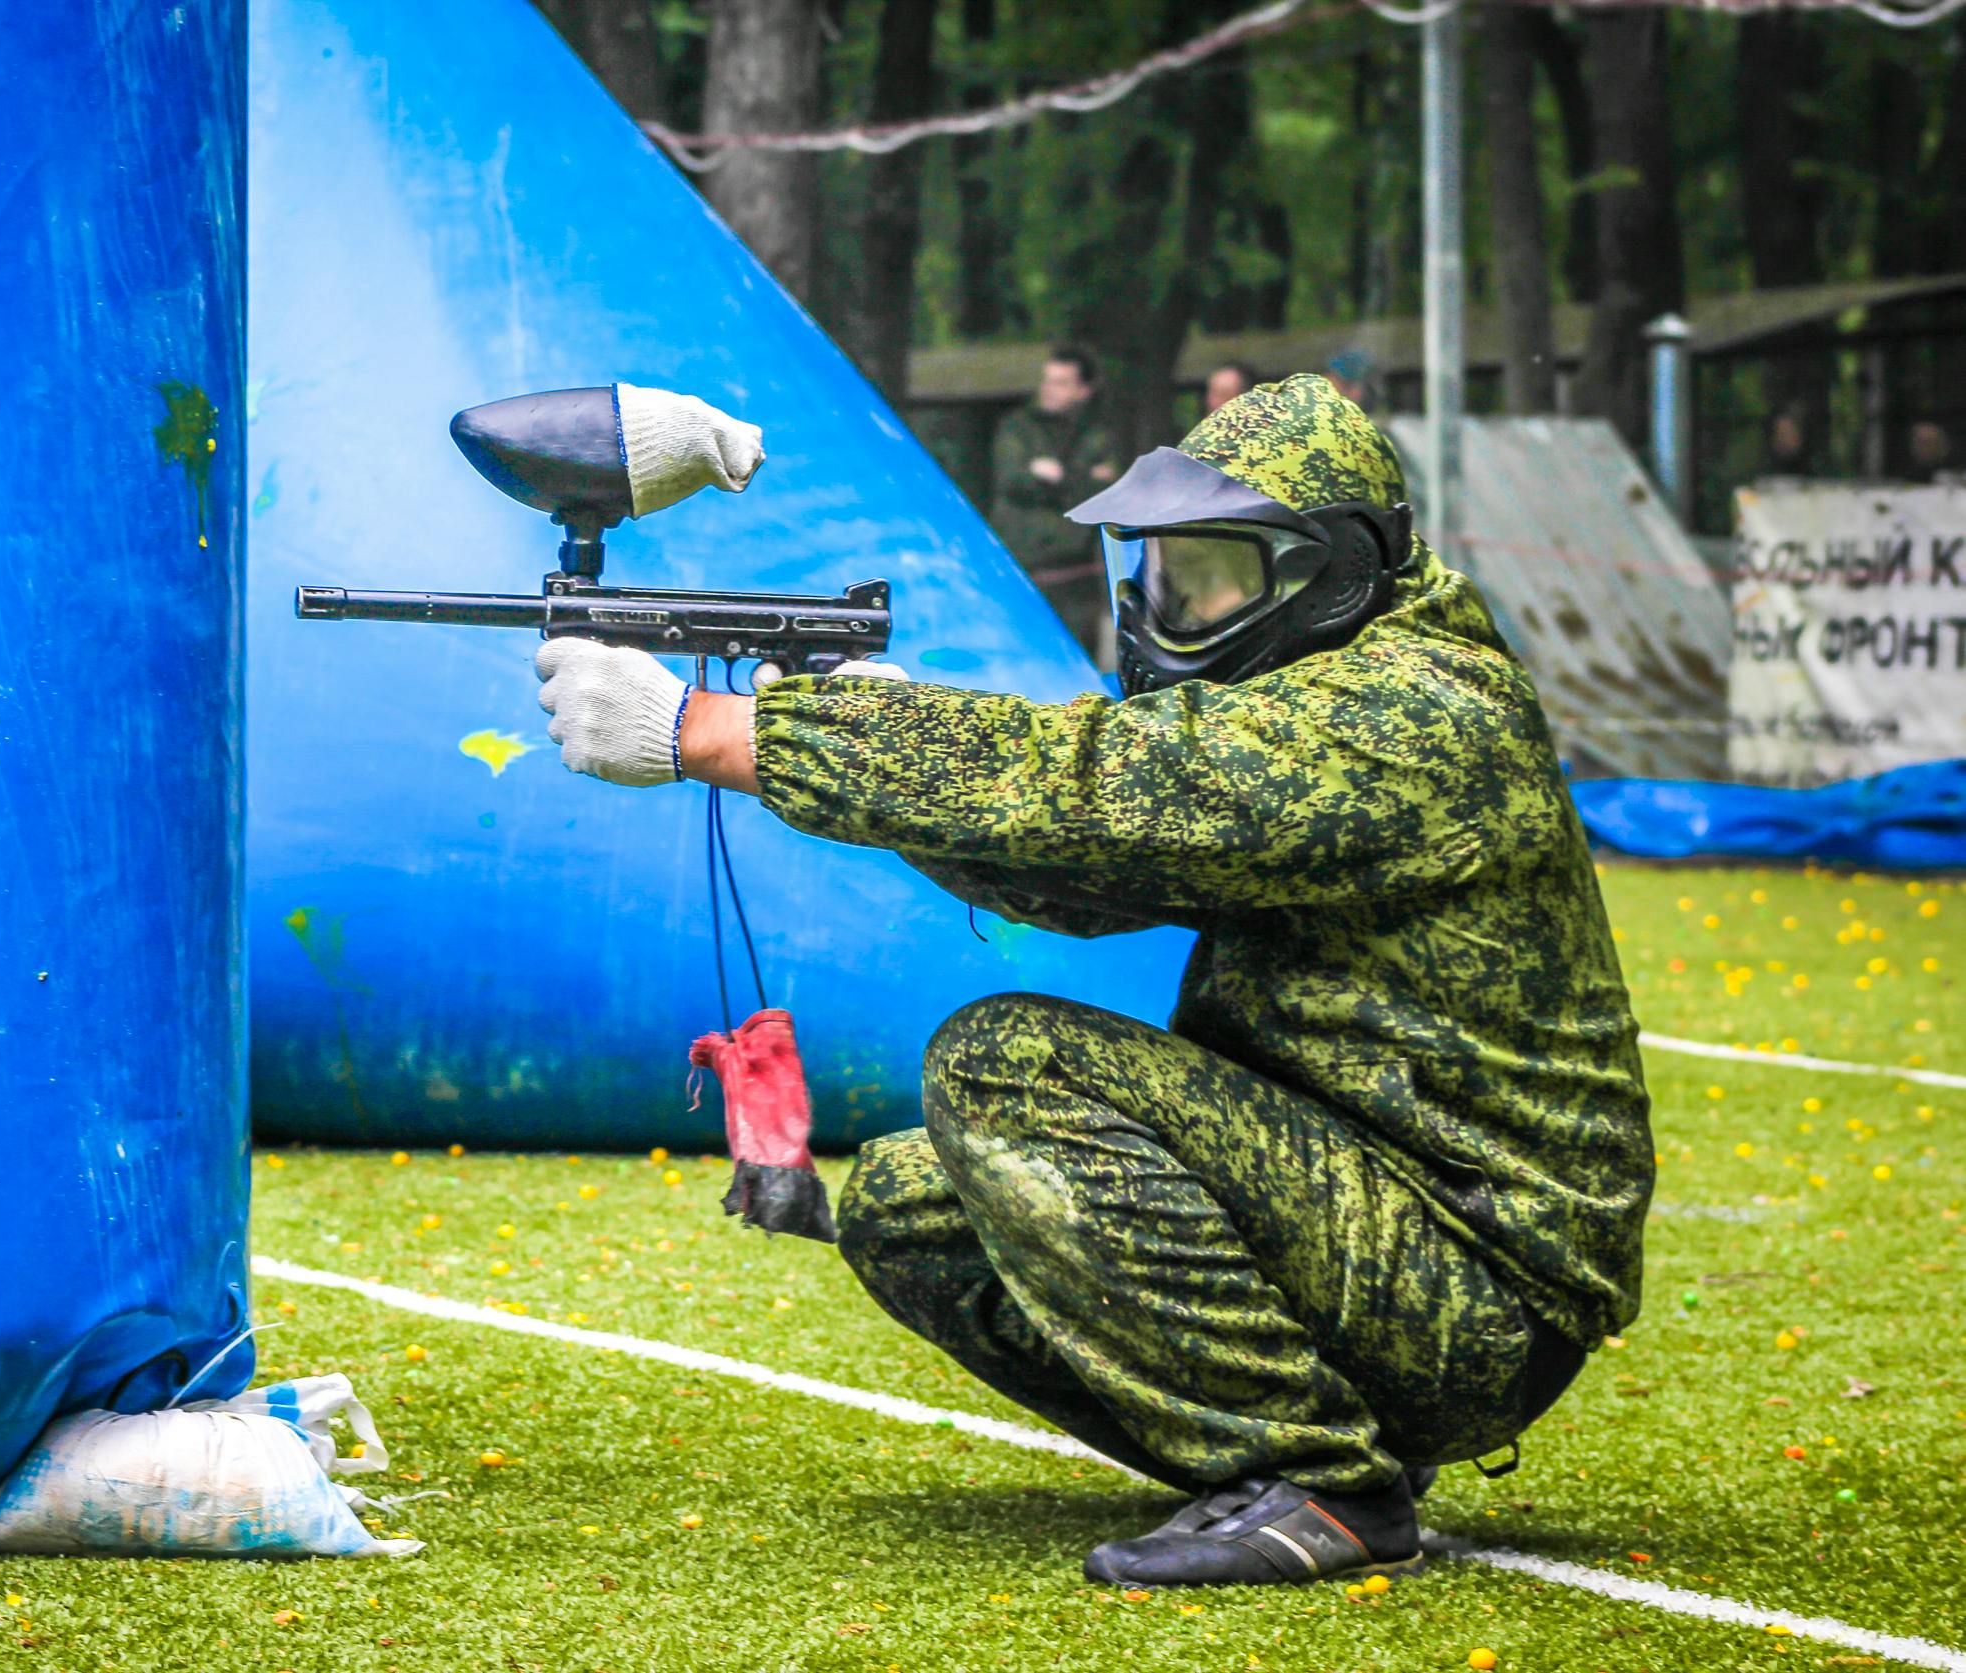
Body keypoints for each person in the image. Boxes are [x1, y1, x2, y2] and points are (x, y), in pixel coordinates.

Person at [531, 376, 1651, 1588]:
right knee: (911, 1202)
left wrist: (720, 732)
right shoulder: (1317, 692)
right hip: (1364, 1232)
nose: (1183, 609)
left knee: (1005, 1061)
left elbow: (1101, 784)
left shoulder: (1418, 707)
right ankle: (1312, 1437)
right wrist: (871, 736)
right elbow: (1085, 871)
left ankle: (1324, 1481)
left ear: (1337, 567)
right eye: (1171, 574)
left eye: (1220, 575)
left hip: (1474, 1281)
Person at [989, 347, 1118, 658]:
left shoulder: (1099, 434)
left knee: (1077, 667)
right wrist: (1078, 479)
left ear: (1083, 390)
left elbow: (1101, 495)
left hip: (1076, 577)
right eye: (1048, 380)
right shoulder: (1017, 427)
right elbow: (1013, 480)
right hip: (1023, 567)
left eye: (1061, 382)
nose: (1049, 389)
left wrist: (1058, 477)